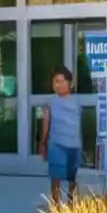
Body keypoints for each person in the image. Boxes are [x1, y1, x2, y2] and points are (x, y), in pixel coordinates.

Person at [40, 67, 82, 205]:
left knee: (72, 176)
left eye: (62, 81)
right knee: (56, 176)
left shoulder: (76, 101)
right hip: (57, 144)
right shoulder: (51, 102)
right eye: (55, 82)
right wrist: (43, 143)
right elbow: (46, 123)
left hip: (74, 144)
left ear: (69, 82)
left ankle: (71, 203)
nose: (58, 84)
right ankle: (56, 204)